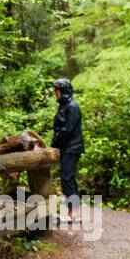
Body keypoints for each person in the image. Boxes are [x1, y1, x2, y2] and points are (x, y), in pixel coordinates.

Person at [50, 78, 84, 222]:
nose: (54, 93)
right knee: (66, 178)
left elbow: (67, 130)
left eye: (56, 90)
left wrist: (55, 143)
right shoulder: (64, 106)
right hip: (65, 147)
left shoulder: (73, 106)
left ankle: (75, 212)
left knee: (67, 177)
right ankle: (71, 211)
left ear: (62, 90)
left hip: (72, 147)